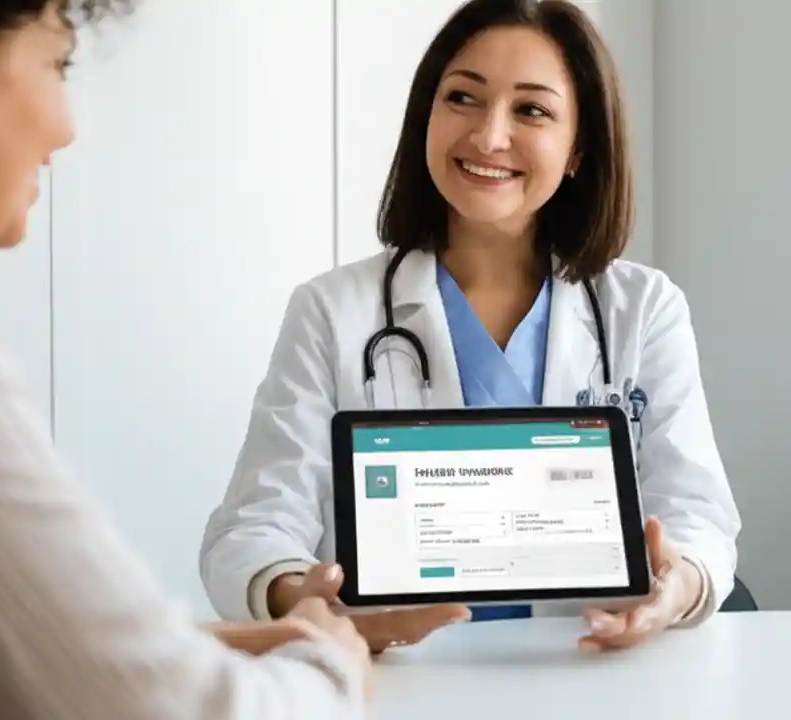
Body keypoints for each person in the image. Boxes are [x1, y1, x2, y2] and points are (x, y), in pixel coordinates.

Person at [0, 2, 371, 717]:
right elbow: (160, 709)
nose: (66, 129)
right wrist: (329, 663)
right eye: (56, 64)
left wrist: (232, 643)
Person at [201, 0, 741, 654]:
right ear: (426, 116)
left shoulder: (643, 309)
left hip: (588, 670)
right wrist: (305, 599)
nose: (488, 137)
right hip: (398, 679)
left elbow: (697, 518)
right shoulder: (331, 311)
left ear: (578, 149)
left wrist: (674, 586)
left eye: (532, 110)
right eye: (463, 97)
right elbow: (252, 528)